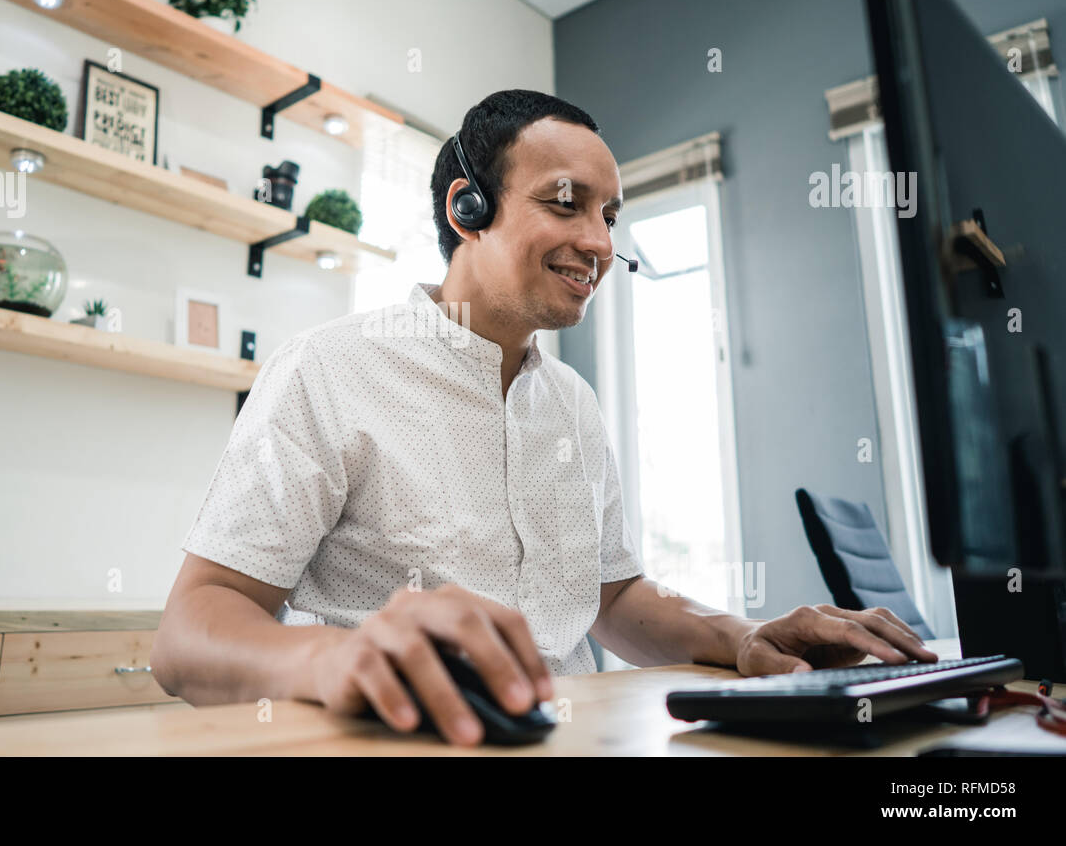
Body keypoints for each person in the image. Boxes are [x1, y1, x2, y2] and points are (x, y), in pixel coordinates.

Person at [151, 89, 937, 746]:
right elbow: (188, 635)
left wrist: (744, 636)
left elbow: (613, 598)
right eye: (566, 203)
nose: (598, 243)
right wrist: (331, 660)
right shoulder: (327, 368)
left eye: (610, 216)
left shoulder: (573, 402)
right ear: (469, 209)